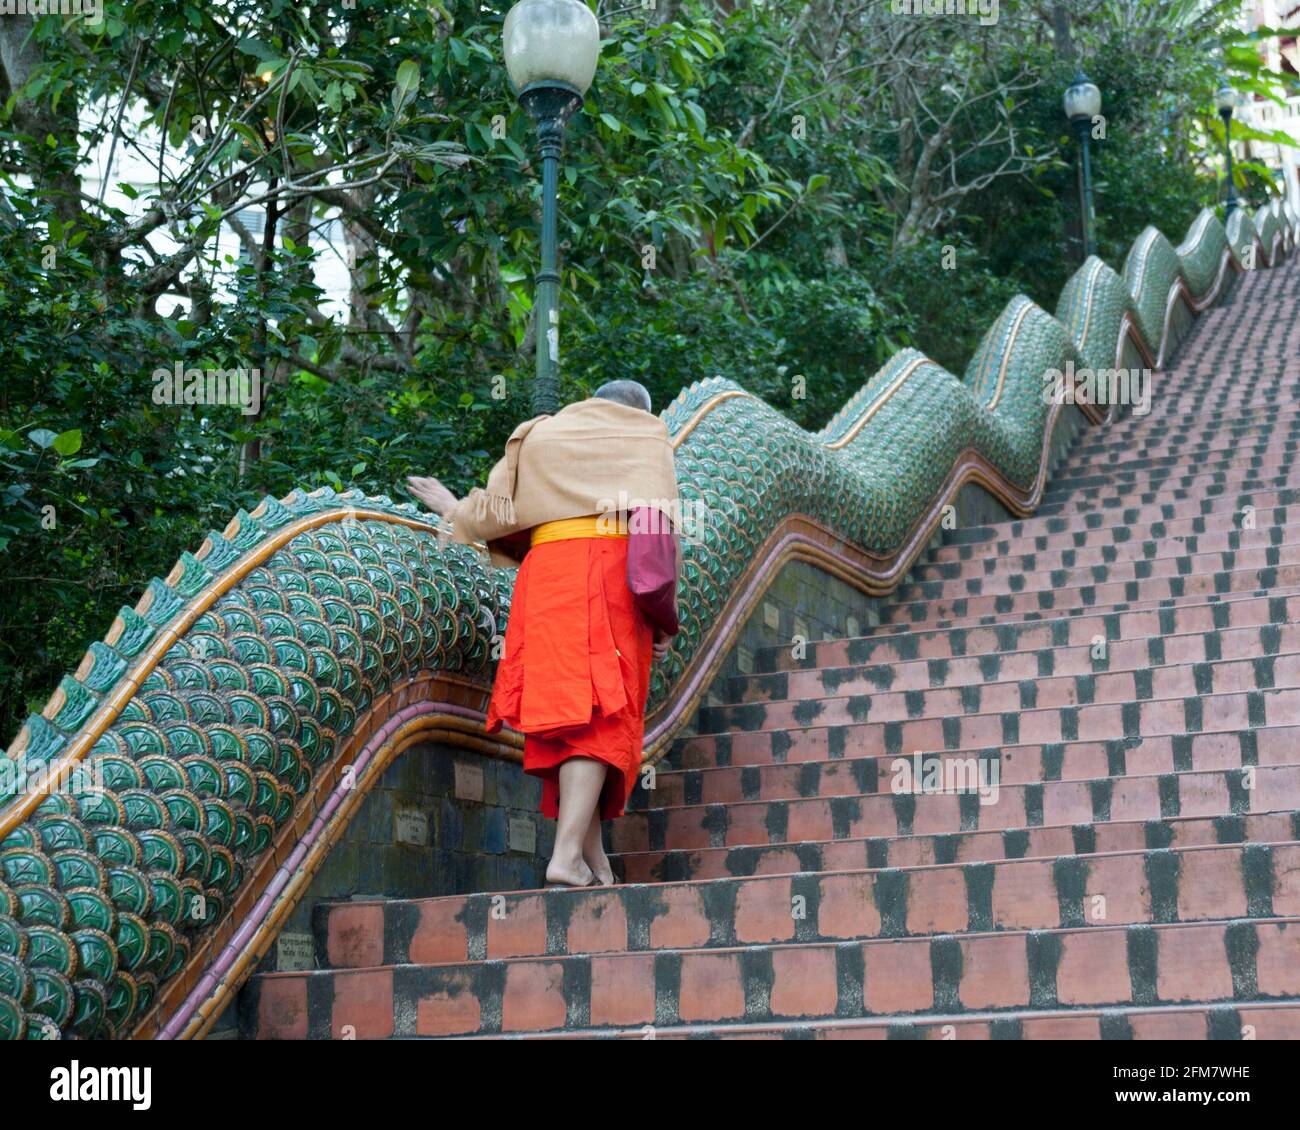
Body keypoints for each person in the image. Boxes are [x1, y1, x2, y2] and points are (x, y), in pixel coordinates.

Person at [407, 380, 680, 888]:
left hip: (546, 576)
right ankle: (565, 855)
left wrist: (451, 507)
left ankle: (592, 860)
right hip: (606, 572)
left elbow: (498, 514)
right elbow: (655, 530)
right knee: (600, 714)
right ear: (639, 411)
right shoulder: (646, 435)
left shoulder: (539, 435)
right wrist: (664, 614)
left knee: (571, 713)